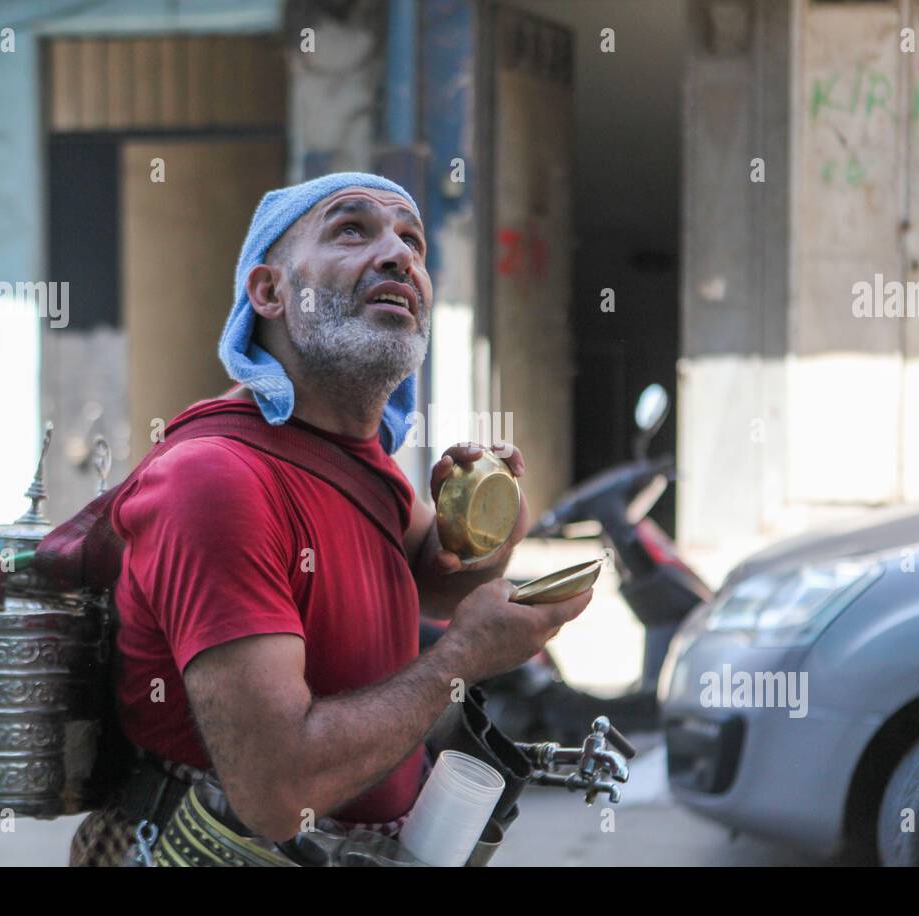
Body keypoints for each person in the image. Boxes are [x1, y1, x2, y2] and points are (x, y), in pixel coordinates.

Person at [69, 172, 591, 865]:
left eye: (412, 239)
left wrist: (490, 524)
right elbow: (279, 792)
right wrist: (462, 659)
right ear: (270, 292)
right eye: (352, 229)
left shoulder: (359, 461)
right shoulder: (217, 480)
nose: (399, 255)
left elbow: (438, 583)